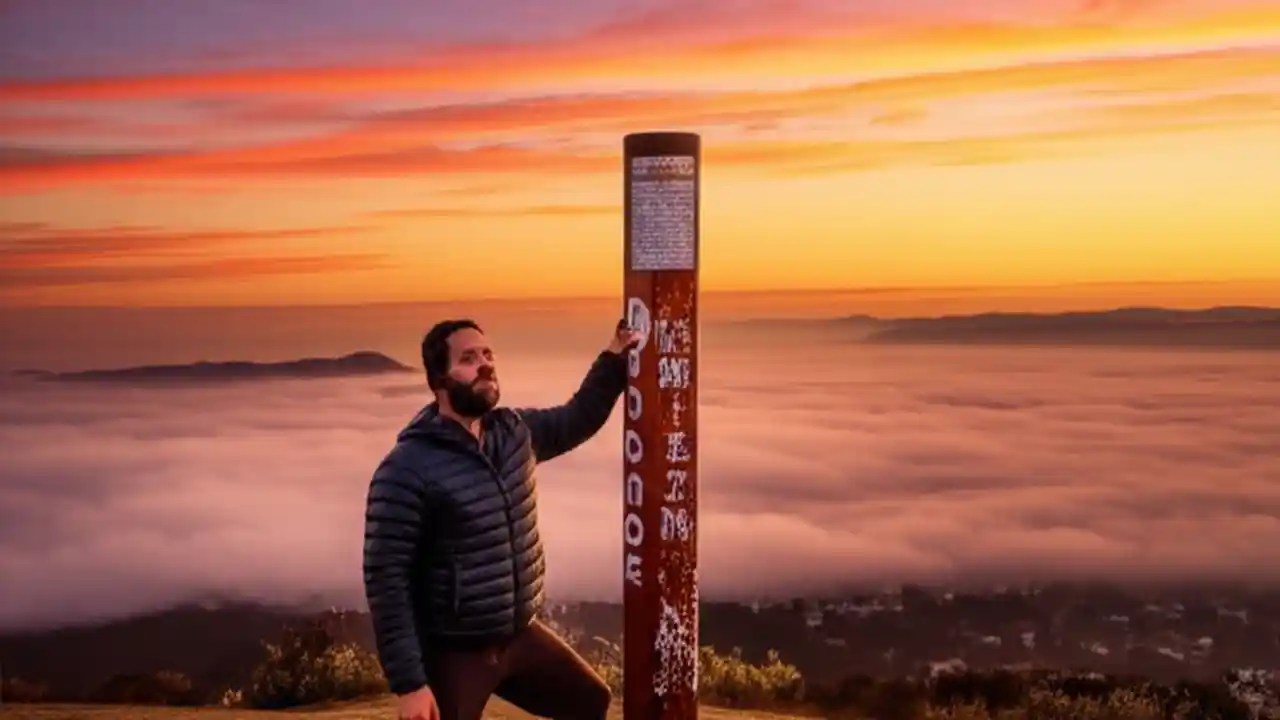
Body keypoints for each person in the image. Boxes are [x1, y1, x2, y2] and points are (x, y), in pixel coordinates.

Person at [363, 317, 643, 720]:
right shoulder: (406, 469)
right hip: (455, 649)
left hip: (518, 634)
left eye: (488, 354)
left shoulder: (513, 432)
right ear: (439, 380)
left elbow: (577, 417)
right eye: (468, 358)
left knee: (588, 701)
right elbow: (386, 579)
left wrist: (614, 359)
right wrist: (409, 684)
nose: (485, 365)